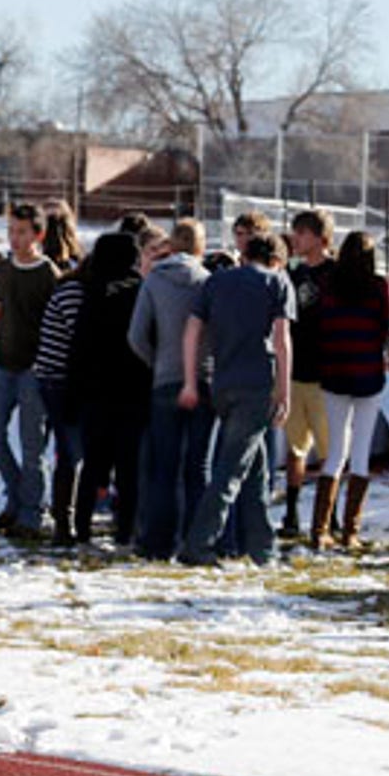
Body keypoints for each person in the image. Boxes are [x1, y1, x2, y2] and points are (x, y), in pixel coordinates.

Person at [177, 232, 294, 567]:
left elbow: (192, 331)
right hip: (257, 385)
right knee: (229, 472)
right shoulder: (277, 283)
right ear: (276, 260)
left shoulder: (216, 283)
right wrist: (283, 392)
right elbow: (282, 341)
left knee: (254, 471)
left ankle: (263, 548)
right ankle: (199, 544)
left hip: (223, 384)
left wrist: (190, 380)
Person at [128, 220, 214, 561]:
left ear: (172, 245)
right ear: (200, 247)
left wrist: (156, 362)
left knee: (163, 467)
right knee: (197, 467)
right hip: (203, 379)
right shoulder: (208, 282)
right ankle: (194, 538)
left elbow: (135, 335)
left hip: (164, 378)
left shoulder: (154, 281)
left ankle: (156, 543)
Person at [0, 203, 60, 538]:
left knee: (33, 446)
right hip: (1, 365)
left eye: (22, 232)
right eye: (11, 231)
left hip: (35, 369)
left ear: (38, 234)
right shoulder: (2, 269)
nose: (15, 238)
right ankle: (16, 494)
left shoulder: (48, 273)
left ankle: (31, 512)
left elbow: (55, 324)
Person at [71, 230, 149, 546]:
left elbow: (80, 345)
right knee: (129, 467)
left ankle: (82, 526)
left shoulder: (92, 291)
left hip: (96, 391)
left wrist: (74, 392)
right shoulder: (142, 290)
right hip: (135, 390)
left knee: (93, 464)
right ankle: (125, 529)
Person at [313, 230, 389, 549]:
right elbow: (383, 327)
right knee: (360, 452)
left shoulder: (328, 285)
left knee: (335, 453)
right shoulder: (378, 287)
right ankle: (351, 530)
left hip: (333, 372)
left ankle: (319, 530)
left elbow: (321, 325)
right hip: (368, 372)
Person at [278, 210, 337, 537]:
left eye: (301, 234)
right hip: (296, 373)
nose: (296, 240)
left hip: (324, 376)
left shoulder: (335, 274)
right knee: (295, 447)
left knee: (329, 450)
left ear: (318, 237)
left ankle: (332, 515)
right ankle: (291, 512)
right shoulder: (293, 274)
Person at [31, 259, 86, 544]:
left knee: (69, 450)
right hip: (60, 379)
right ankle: (64, 520)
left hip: (55, 377)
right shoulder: (75, 293)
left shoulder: (69, 288)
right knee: (70, 450)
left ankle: (65, 517)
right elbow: (82, 338)